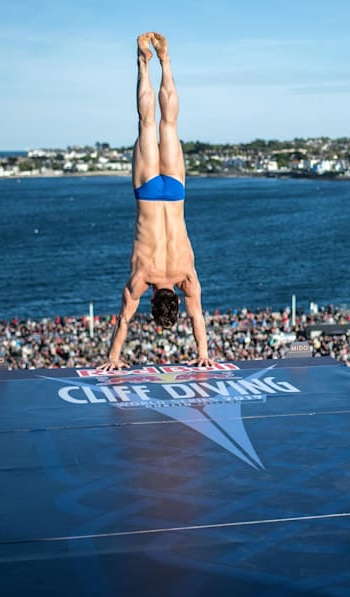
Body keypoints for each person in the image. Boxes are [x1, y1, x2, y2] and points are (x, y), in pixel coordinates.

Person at [99, 33, 213, 370]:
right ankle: (143, 63)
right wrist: (113, 357)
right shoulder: (142, 277)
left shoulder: (187, 277)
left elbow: (197, 316)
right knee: (147, 122)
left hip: (174, 192)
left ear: (176, 297)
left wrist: (204, 353)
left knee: (168, 123)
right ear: (152, 300)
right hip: (148, 193)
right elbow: (124, 319)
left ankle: (165, 61)